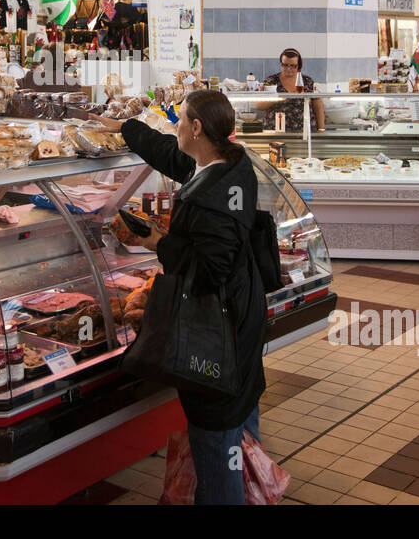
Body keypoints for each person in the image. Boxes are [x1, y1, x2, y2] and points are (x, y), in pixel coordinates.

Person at [93, 91, 266, 505]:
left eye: (180, 120)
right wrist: (125, 129)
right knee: (241, 426)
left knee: (217, 434)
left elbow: (210, 271)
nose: (174, 127)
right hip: (243, 317)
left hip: (219, 330)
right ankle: (251, 490)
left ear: (197, 128)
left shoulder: (214, 199)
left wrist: (158, 242)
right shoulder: (227, 163)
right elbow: (171, 153)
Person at [261, 48, 325, 132]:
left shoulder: (307, 81)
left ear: (299, 66)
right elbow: (259, 105)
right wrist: (277, 98)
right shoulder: (270, 81)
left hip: (304, 132)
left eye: (292, 66)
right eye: (285, 65)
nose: (288, 69)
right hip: (276, 131)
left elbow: (318, 106)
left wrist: (321, 129)